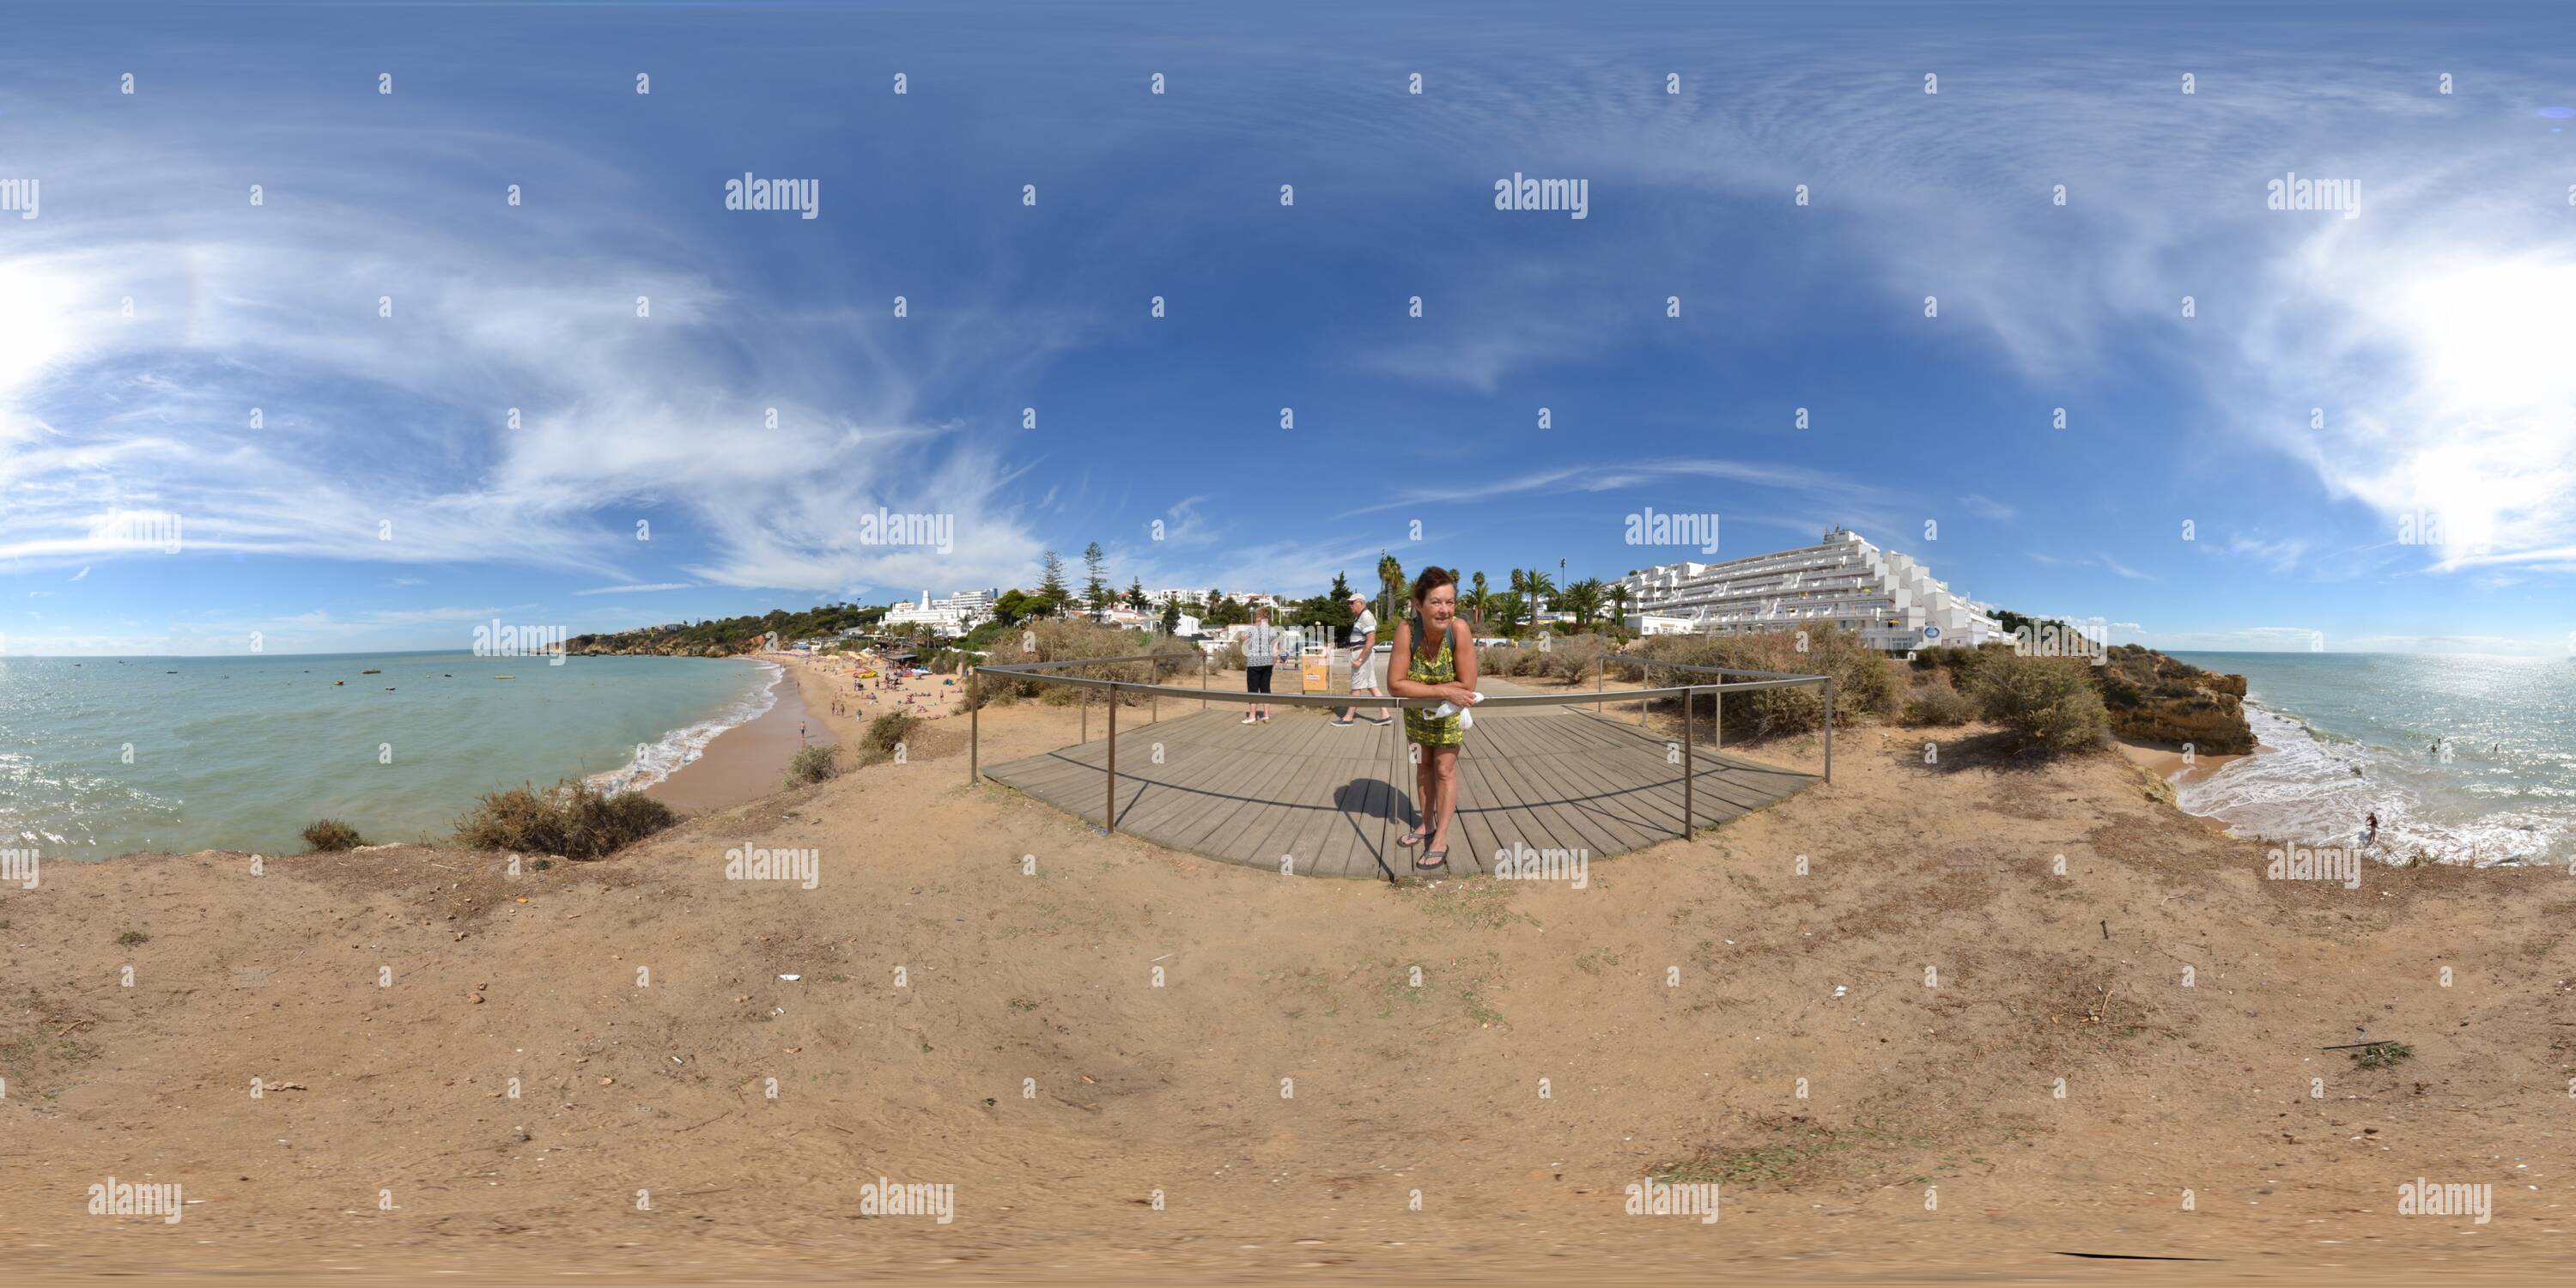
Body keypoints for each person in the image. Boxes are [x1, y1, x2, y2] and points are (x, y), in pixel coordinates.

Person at [1387, 566, 1479, 870]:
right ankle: (1425, 825)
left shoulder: (1459, 630)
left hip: (1449, 715)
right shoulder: (1407, 631)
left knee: (1443, 770)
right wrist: (1443, 689)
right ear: (1418, 604)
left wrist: (1424, 689)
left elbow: (1467, 686)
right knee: (1422, 768)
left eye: (1450, 602)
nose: (1445, 610)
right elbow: (1394, 685)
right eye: (1436, 602)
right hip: (1416, 718)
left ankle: (1440, 837)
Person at [1333, 590, 1389, 726]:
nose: (1350, 605)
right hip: (1362, 654)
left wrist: (1359, 659)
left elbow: (1371, 641)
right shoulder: (1361, 617)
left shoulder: (1366, 617)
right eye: (1349, 603)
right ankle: (1385, 715)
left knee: (1356, 687)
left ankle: (1348, 718)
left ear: (1360, 603)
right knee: (1372, 686)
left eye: (1352, 603)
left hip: (1362, 655)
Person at [1240, 605, 1279, 724]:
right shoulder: (1273, 630)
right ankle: (1266, 715)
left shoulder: (1252, 629)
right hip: (1267, 662)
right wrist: (1273, 665)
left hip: (1254, 662)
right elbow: (1276, 650)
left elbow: (1242, 639)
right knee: (1266, 689)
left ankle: (1252, 716)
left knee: (1253, 689)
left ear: (1258, 616)